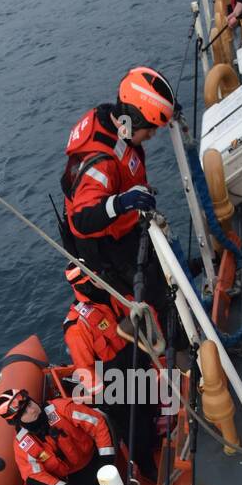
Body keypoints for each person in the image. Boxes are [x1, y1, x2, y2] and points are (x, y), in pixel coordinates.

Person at [62, 66, 178, 313]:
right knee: (162, 301)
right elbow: (82, 218)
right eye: (150, 129)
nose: (152, 135)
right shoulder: (100, 163)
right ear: (133, 120)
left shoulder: (110, 119)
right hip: (110, 248)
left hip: (125, 225)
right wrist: (123, 202)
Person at [62, 264, 162, 482]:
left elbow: (137, 314)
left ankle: (155, 440)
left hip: (135, 363)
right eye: (96, 278)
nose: (103, 280)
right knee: (135, 429)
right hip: (114, 383)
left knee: (148, 409)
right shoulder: (77, 326)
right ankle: (147, 467)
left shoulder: (112, 296)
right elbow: (85, 368)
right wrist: (110, 398)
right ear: (85, 285)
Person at [0, 387, 118, 485]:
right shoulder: (23, 444)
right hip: (70, 478)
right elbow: (33, 475)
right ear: (17, 421)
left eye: (30, 404)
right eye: (24, 412)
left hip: (95, 459)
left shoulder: (62, 409)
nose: (32, 410)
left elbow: (97, 423)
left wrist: (106, 461)